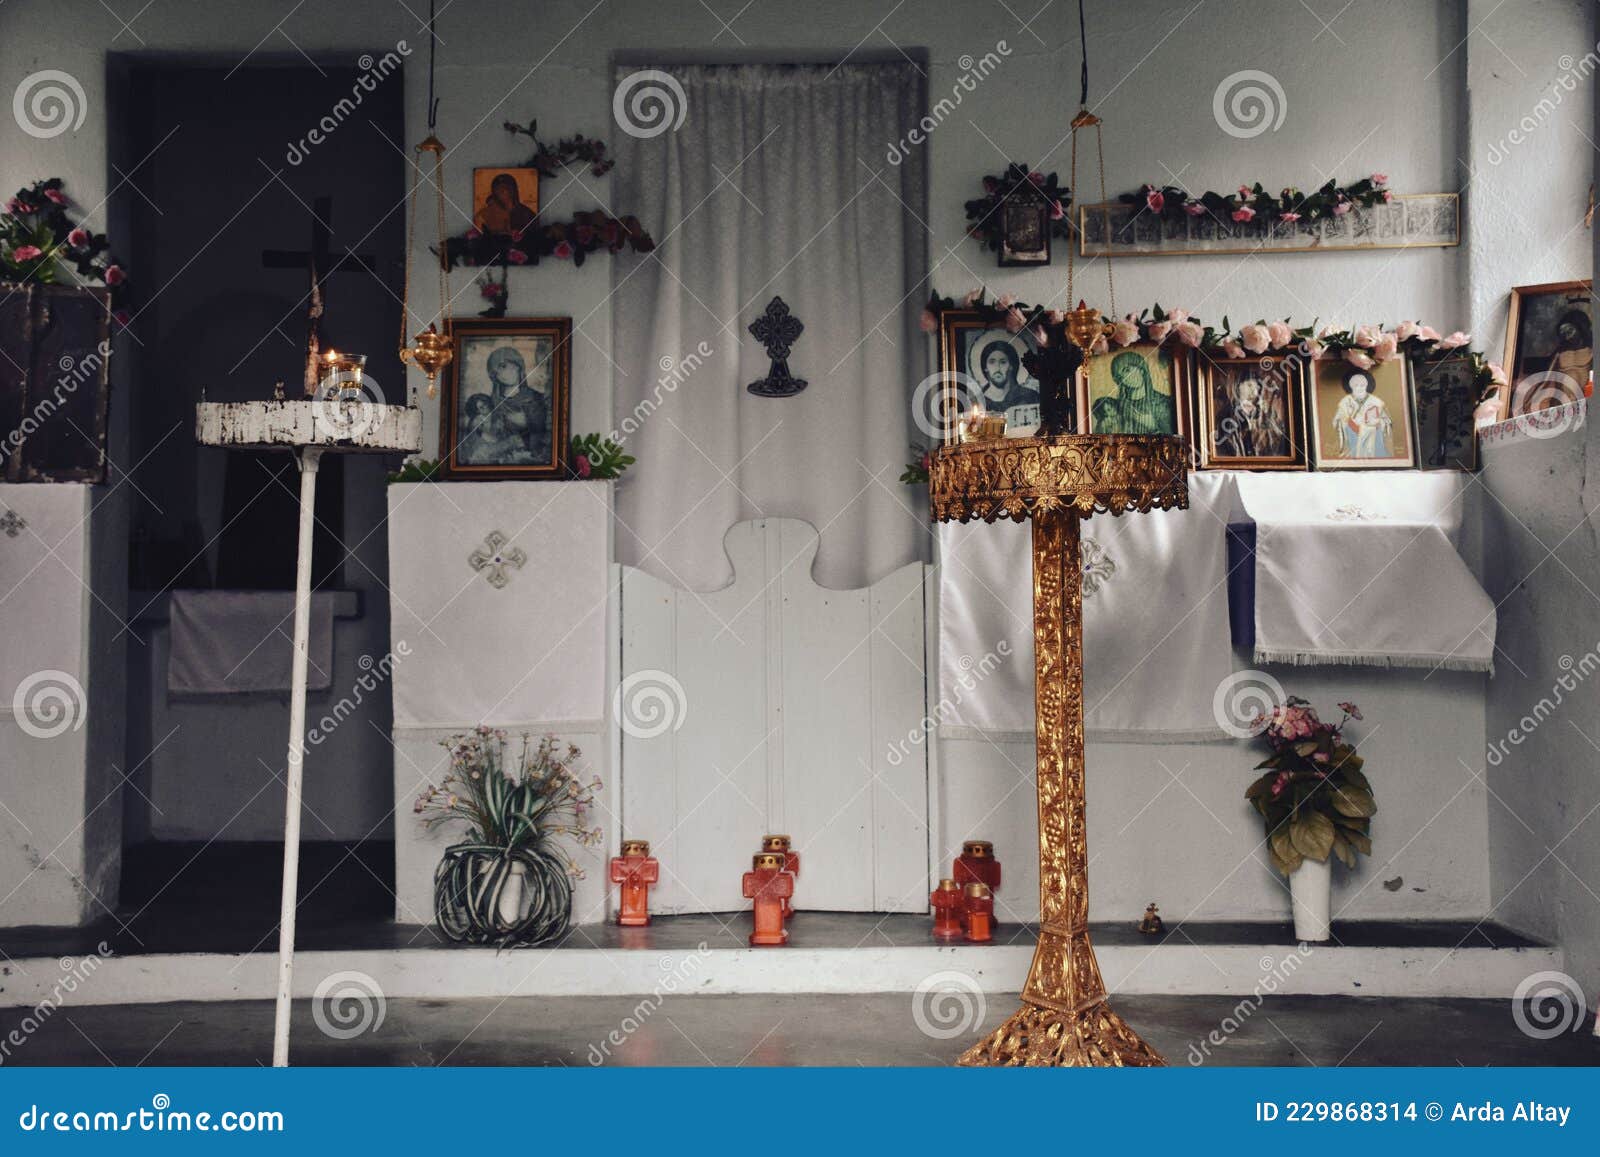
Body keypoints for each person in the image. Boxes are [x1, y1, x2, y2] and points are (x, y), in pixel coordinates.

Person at [485, 345, 551, 462]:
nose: (505, 373)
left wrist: (526, 425)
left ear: (519, 367)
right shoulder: (492, 403)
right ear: (494, 375)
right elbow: (491, 435)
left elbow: (546, 434)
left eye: (508, 366)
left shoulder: (536, 398)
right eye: (500, 369)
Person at [1092, 350, 1176, 435]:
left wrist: (1152, 427)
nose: (1125, 378)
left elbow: (1172, 440)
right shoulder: (1116, 407)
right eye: (1120, 376)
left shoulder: (1164, 403)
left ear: (1141, 369)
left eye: (1127, 370)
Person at [1214, 375, 1287, 458]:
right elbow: (1222, 442)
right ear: (1238, 386)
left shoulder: (1264, 413)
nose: (1254, 391)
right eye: (1249, 385)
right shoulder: (1226, 413)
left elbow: (1278, 437)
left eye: (1257, 387)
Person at [1332, 367, 1393, 458]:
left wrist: (1378, 421)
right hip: (1353, 434)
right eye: (1356, 385)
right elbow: (1338, 421)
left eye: (1362, 385)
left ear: (1367, 385)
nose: (1359, 388)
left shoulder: (1376, 401)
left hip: (1374, 437)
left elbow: (1387, 421)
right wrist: (1349, 420)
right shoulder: (1345, 402)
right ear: (1351, 386)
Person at [458, 393, 533, 465]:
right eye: (480, 408)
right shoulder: (476, 420)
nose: (485, 408)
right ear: (476, 411)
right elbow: (484, 436)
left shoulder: (497, 415)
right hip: (485, 448)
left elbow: (508, 430)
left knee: (516, 440)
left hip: (499, 443)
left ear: (488, 403)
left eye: (485, 404)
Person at [474, 173, 537, 238]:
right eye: (497, 189)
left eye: (504, 188)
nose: (500, 192)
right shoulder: (487, 213)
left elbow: (534, 235)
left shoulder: (527, 214)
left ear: (512, 190)